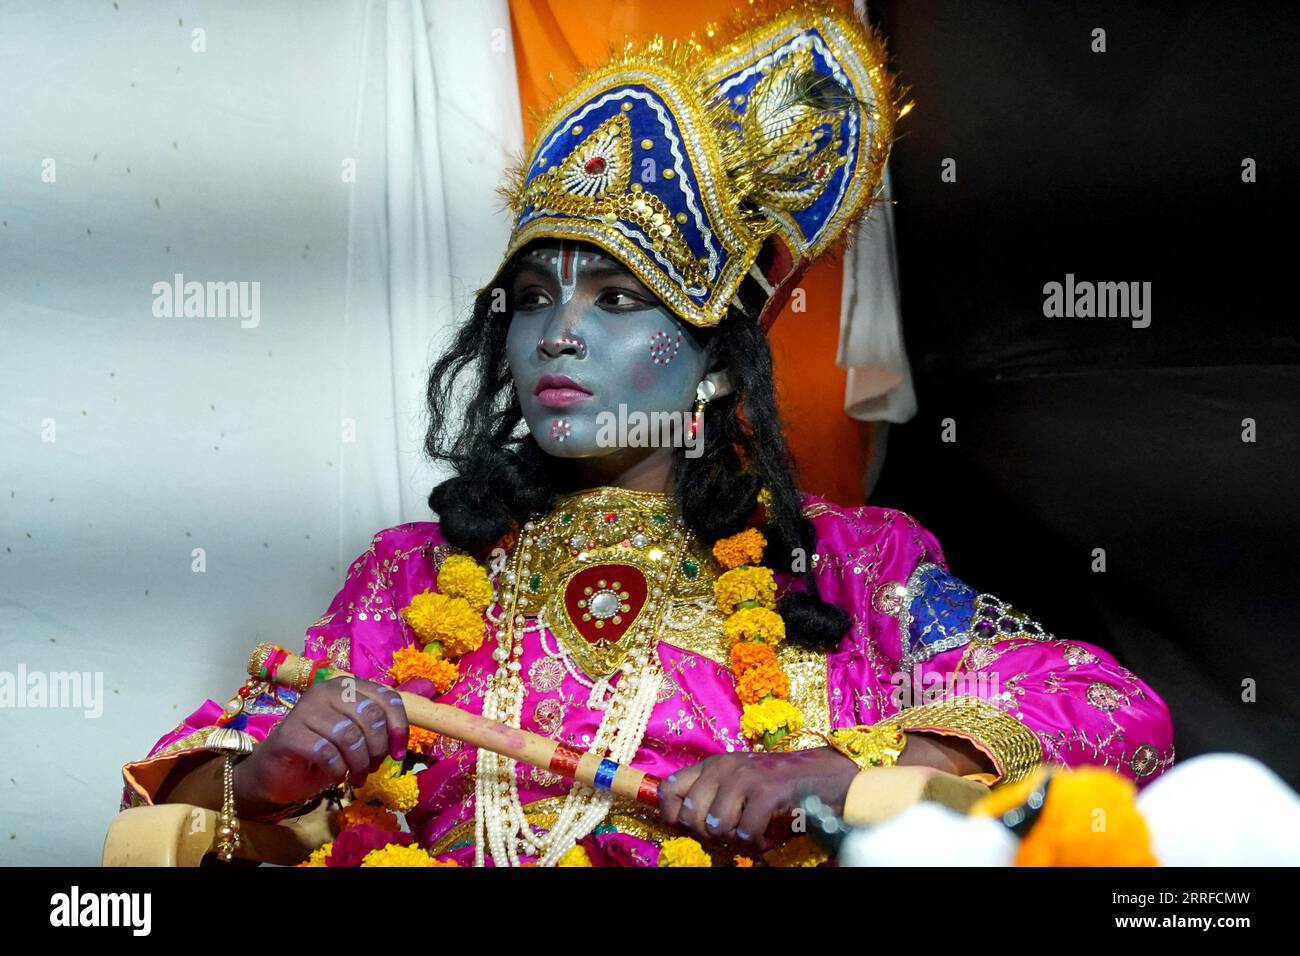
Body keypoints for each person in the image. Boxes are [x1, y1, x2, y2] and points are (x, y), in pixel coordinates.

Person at [119, 1, 1173, 867]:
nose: (559, 333)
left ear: (714, 356)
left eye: (619, 299)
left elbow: (1106, 708)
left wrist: (840, 772)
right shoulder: (408, 585)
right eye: (533, 297)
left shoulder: (847, 570)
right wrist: (262, 784)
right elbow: (156, 814)